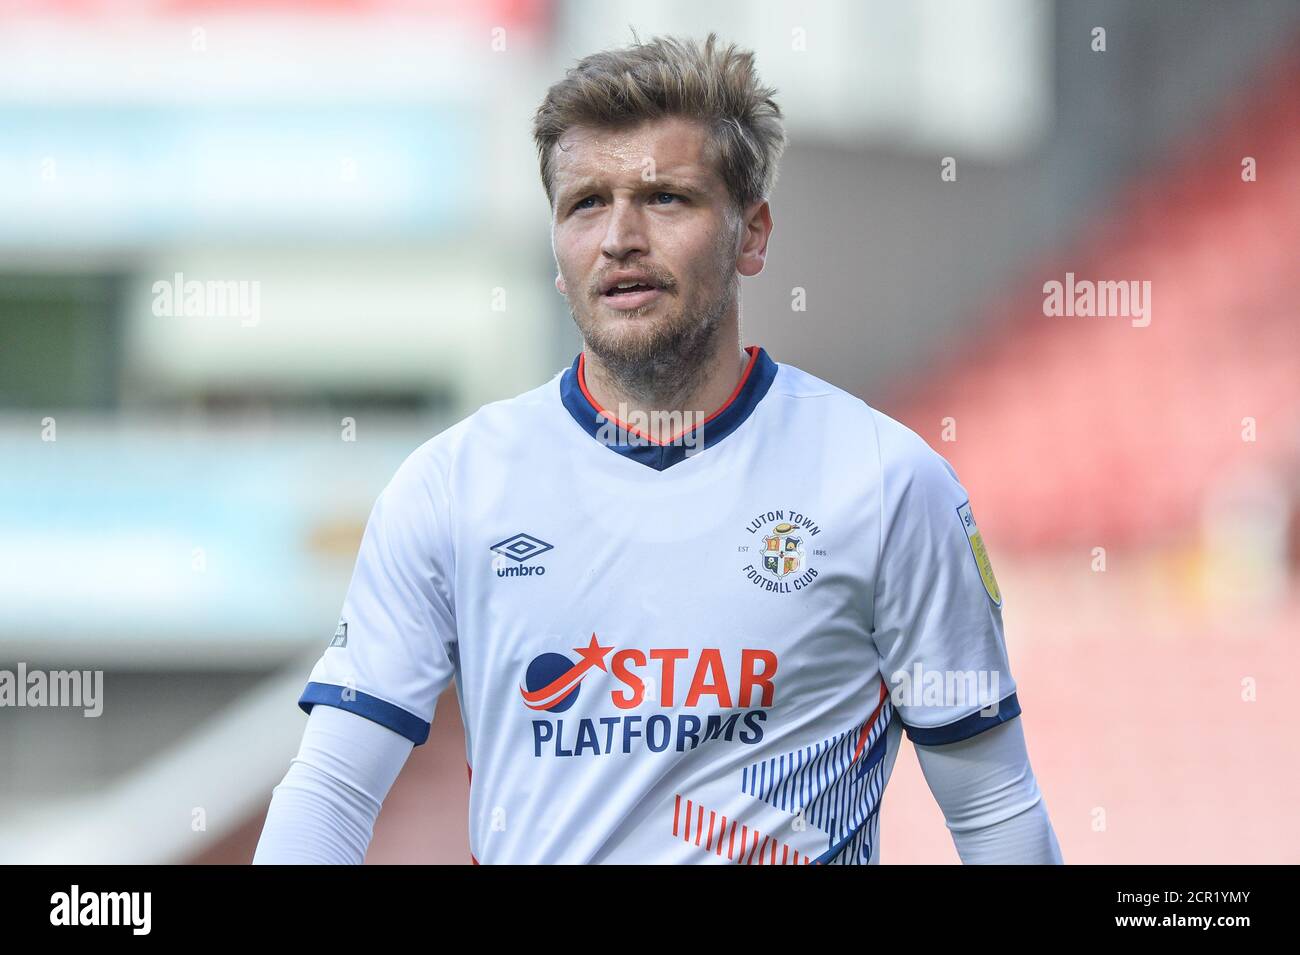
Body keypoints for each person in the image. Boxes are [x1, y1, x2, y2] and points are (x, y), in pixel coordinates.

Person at [254, 32, 1062, 865]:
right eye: (586, 203)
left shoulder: (890, 484)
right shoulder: (450, 487)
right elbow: (332, 792)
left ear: (752, 235)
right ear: (559, 254)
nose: (619, 237)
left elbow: (996, 809)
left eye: (666, 199)